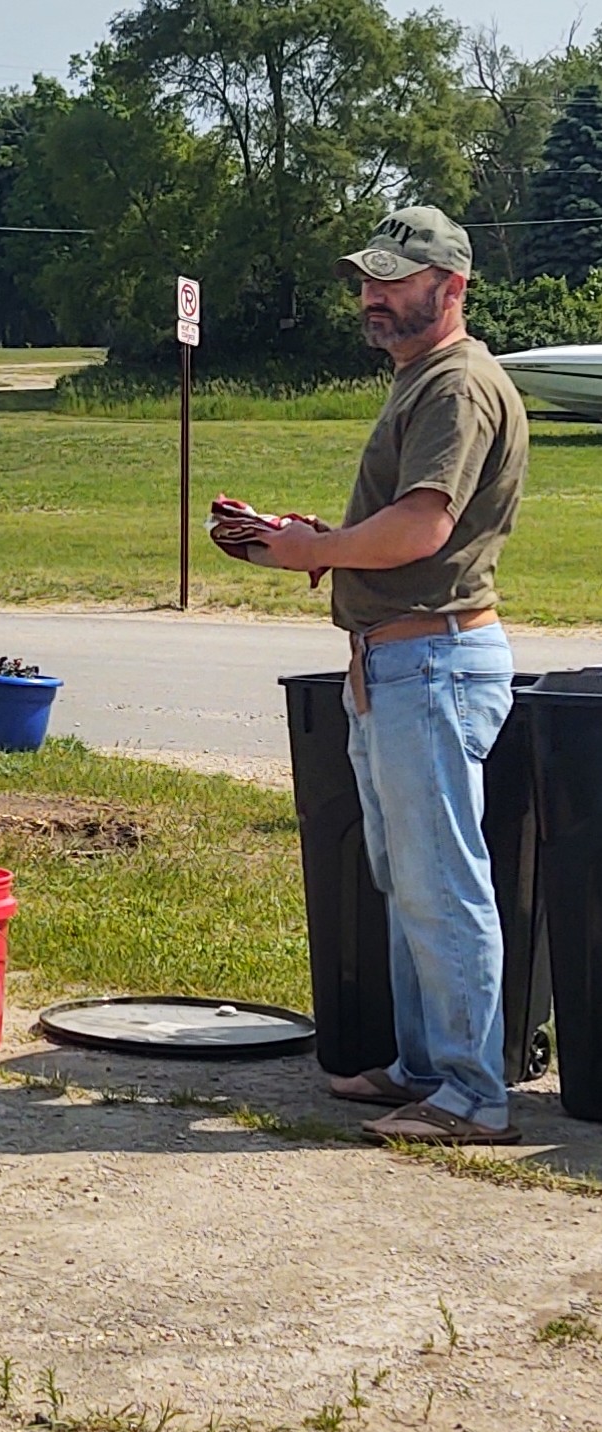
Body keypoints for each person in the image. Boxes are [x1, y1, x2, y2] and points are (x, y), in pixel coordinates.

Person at [254, 206, 529, 1145]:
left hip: (432, 661)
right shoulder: (423, 378)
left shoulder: (453, 385)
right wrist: (315, 543)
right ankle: (427, 1070)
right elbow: (400, 531)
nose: (372, 298)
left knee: (441, 880)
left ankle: (471, 1093)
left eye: (392, 281)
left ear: (448, 287)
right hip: (401, 661)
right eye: (367, 281)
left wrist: (312, 551)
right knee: (408, 876)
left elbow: (421, 529)